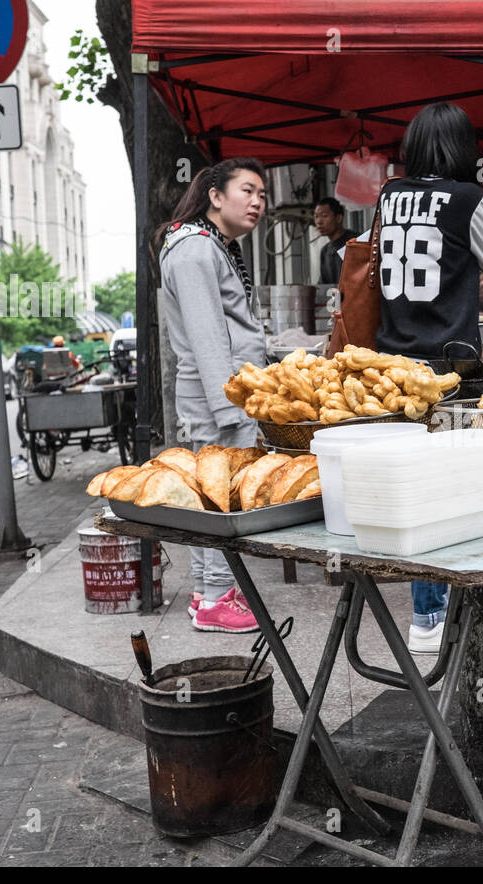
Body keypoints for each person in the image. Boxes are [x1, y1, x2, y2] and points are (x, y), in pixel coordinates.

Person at [374, 102, 483, 653]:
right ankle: (445, 608)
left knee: (417, 489)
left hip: (392, 363)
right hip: (450, 365)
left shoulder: (388, 195)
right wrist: (468, 275)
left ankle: (426, 614)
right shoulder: (470, 199)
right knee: (454, 487)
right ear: (462, 148)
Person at [154, 157, 270, 634]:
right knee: (223, 500)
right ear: (215, 196)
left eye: (263, 195)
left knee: (207, 496)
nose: (257, 202)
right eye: (247, 191)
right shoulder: (196, 250)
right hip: (219, 396)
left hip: (220, 391)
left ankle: (205, 592)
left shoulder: (209, 246)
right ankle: (220, 597)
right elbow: (206, 337)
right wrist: (231, 407)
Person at [314, 197, 357, 284]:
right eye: (316, 216)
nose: (319, 221)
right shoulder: (325, 251)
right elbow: (323, 285)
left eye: (324, 216)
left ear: (338, 218)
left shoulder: (355, 243)